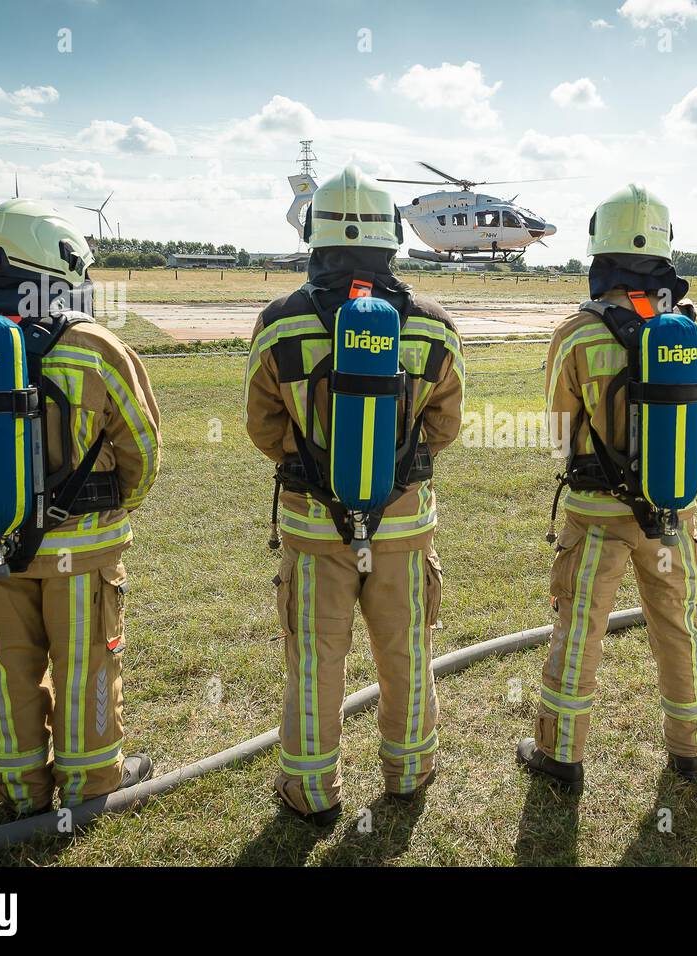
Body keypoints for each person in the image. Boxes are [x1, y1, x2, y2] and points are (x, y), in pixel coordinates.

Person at [0, 198, 161, 813]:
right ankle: (92, 783)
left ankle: (20, 792)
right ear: (59, 262)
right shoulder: (96, 348)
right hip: (81, 549)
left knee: (5, 672)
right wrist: (111, 506)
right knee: (88, 668)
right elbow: (142, 450)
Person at [245, 165, 464, 825]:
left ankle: (310, 794)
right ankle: (409, 773)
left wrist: (313, 466)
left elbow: (263, 427)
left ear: (314, 235)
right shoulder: (433, 324)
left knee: (315, 661)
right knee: (407, 654)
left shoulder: (280, 323)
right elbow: (445, 427)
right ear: (392, 238)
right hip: (403, 531)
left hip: (314, 533)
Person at [517, 185, 697, 792]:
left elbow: (559, 431)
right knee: (677, 626)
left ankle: (561, 756)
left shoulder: (577, 334)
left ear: (599, 252)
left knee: (578, 629)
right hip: (669, 510)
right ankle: (690, 751)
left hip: (594, 510)